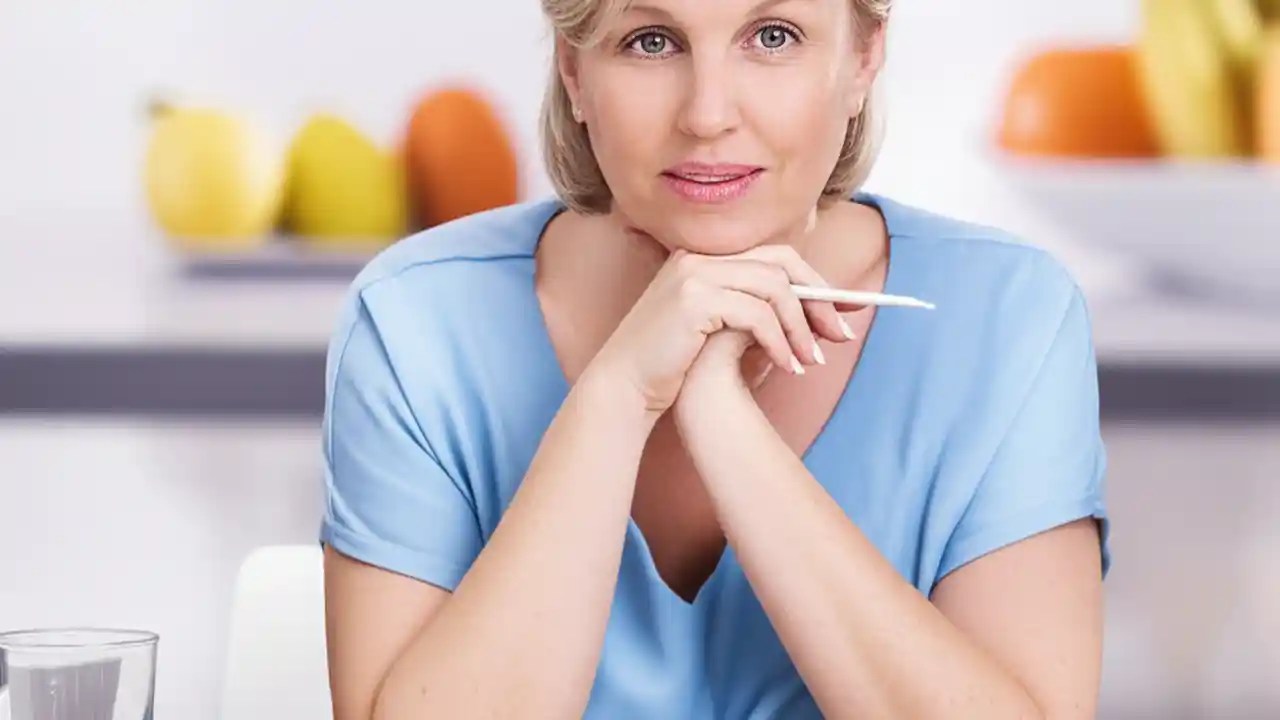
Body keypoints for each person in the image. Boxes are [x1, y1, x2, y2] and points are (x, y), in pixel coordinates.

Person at [319, 0, 1111, 717]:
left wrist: (721, 417)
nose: (706, 114)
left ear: (864, 56)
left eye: (773, 37)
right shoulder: (416, 323)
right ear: (573, 67)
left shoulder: (1006, 317)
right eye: (651, 41)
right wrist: (620, 395)